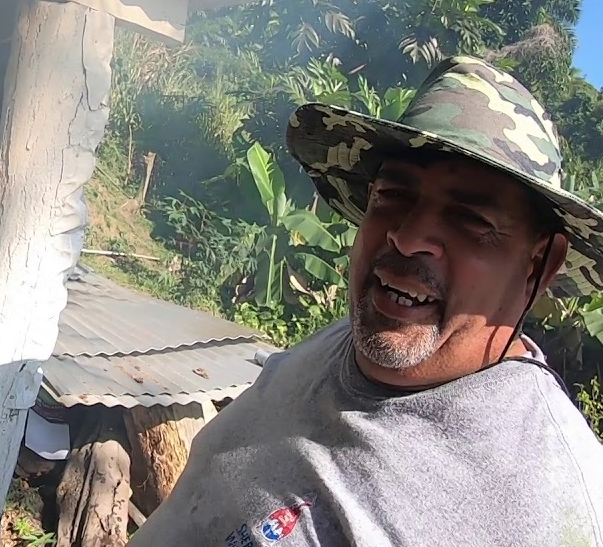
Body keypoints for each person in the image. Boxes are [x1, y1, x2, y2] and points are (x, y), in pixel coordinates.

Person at [127, 56, 603, 547]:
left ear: (538, 265)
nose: (408, 235)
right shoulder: (354, 338)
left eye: (471, 219)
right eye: (393, 193)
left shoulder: (545, 507)